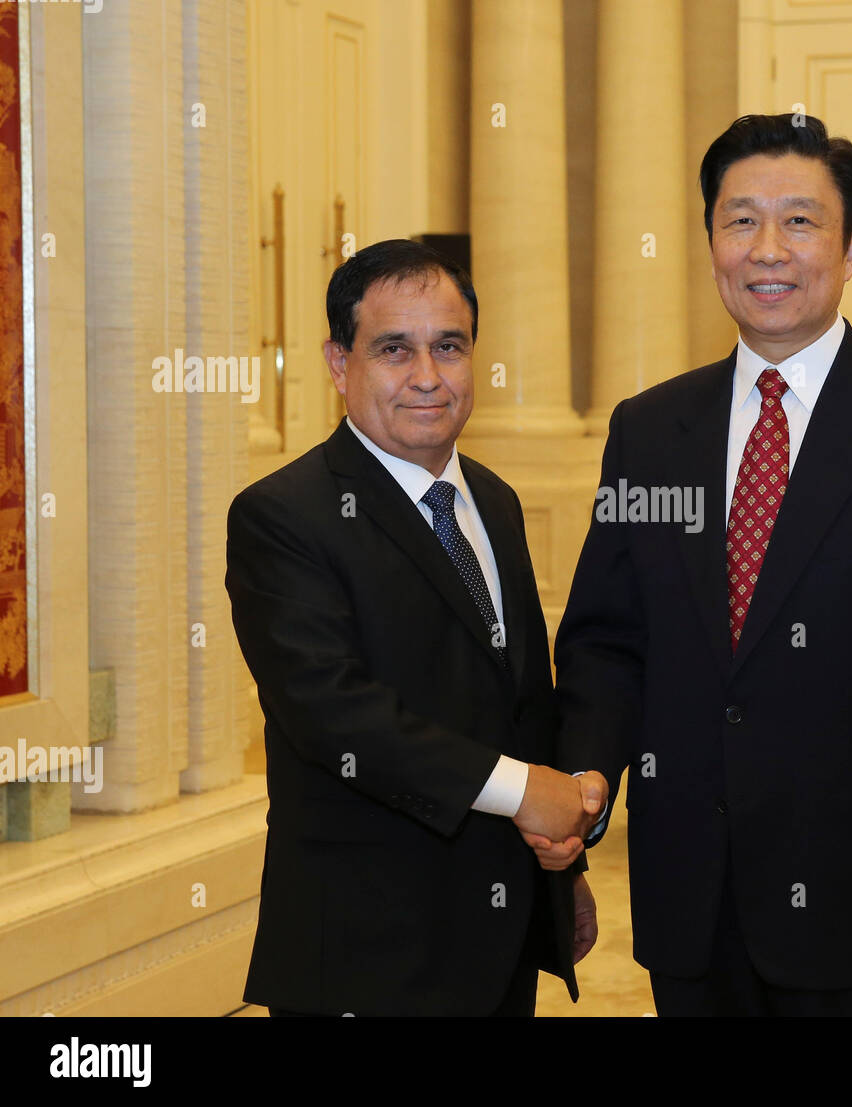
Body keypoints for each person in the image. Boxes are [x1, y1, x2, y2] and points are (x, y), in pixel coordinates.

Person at [533, 113, 852, 1016]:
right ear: (711, 238)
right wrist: (588, 784)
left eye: (799, 220)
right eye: (740, 219)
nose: (767, 249)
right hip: (689, 897)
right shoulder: (649, 430)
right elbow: (608, 642)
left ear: (851, 244)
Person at [226, 239, 607, 1016]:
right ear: (340, 364)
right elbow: (333, 714)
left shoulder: (494, 502)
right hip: (369, 954)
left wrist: (561, 871)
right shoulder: (283, 516)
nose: (428, 377)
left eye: (449, 347)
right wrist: (525, 791)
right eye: (395, 349)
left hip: (498, 939)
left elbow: (522, 699)